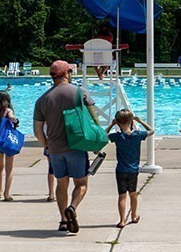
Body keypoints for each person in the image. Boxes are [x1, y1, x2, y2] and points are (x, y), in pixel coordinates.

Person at [34, 60, 101, 234]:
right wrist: (96, 142)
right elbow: (95, 120)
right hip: (76, 146)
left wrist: (47, 145)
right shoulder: (80, 92)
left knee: (61, 183)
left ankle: (63, 221)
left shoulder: (42, 99)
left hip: (55, 150)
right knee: (81, 184)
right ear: (66, 74)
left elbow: (37, 130)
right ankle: (72, 207)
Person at [106, 109, 153, 229]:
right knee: (133, 194)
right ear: (131, 121)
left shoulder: (117, 136)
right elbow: (151, 131)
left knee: (122, 196)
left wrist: (112, 124)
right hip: (133, 170)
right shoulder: (137, 135)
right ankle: (134, 215)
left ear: (118, 122)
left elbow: (103, 136)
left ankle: (122, 220)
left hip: (121, 170)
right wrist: (141, 121)